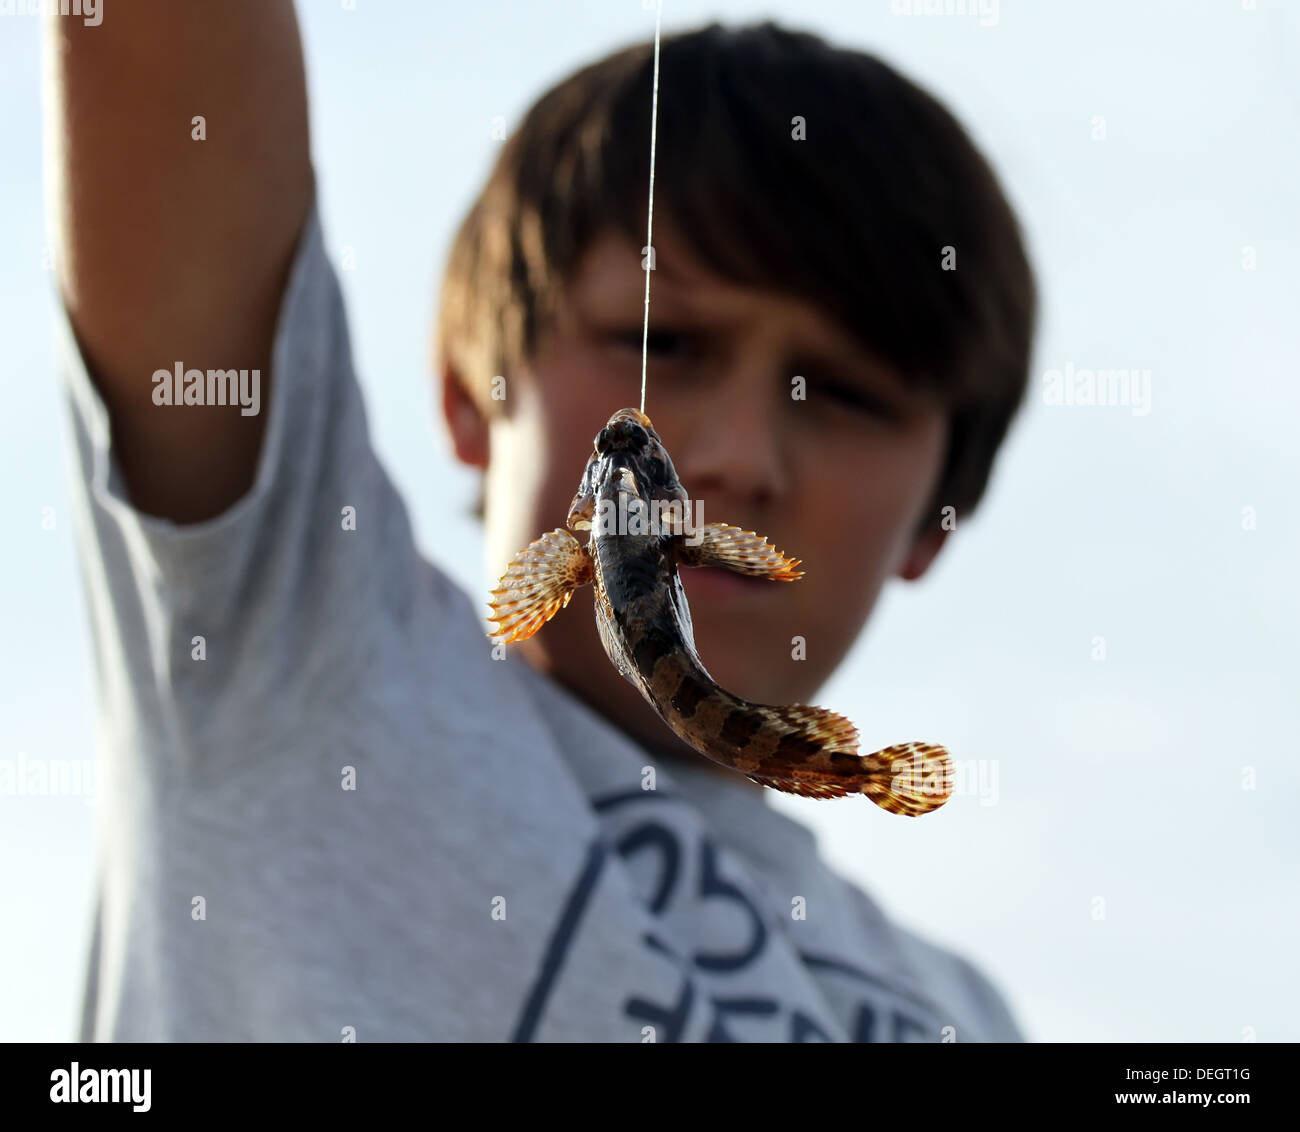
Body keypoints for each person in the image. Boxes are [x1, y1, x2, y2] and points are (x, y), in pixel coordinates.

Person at [45, 4, 1035, 1041]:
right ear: (472, 396)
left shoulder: (964, 1015)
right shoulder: (293, 655)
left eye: (842, 393)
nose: (738, 455)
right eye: (667, 343)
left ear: (936, 520)